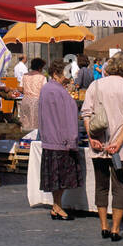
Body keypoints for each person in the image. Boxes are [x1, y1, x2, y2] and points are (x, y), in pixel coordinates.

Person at [79, 52, 123, 242]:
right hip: (121, 147)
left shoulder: (95, 85)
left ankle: (104, 225)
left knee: (101, 185)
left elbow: (86, 114)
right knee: (119, 187)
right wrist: (119, 142)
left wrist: (91, 138)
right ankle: (115, 229)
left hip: (99, 143)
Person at [38, 61, 84, 220]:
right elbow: (65, 118)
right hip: (60, 140)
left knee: (57, 177)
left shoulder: (49, 89)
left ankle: (56, 206)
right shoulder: (55, 91)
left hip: (52, 138)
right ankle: (57, 206)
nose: (69, 76)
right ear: (56, 74)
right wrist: (71, 139)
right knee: (60, 177)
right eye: (66, 73)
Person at [18, 58, 47, 133]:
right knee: (35, 125)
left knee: (25, 123)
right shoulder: (42, 77)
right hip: (36, 101)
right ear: (40, 67)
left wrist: (27, 91)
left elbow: (20, 88)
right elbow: (44, 91)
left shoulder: (25, 75)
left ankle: (25, 139)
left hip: (25, 100)